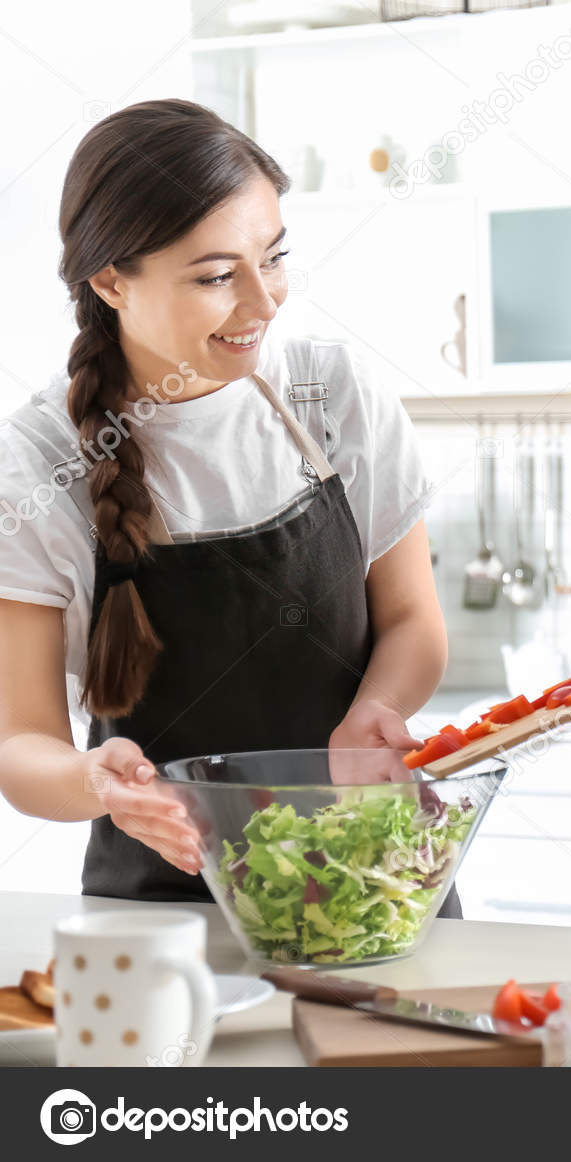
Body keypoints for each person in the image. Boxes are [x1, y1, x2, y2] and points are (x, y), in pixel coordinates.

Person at [0, 99, 455, 915]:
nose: (264, 301)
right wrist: (93, 781)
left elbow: (415, 621)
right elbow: (18, 741)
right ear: (110, 280)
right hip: (161, 917)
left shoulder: (332, 397)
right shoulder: (41, 461)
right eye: (216, 276)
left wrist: (371, 715)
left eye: (273, 258)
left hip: (375, 884)